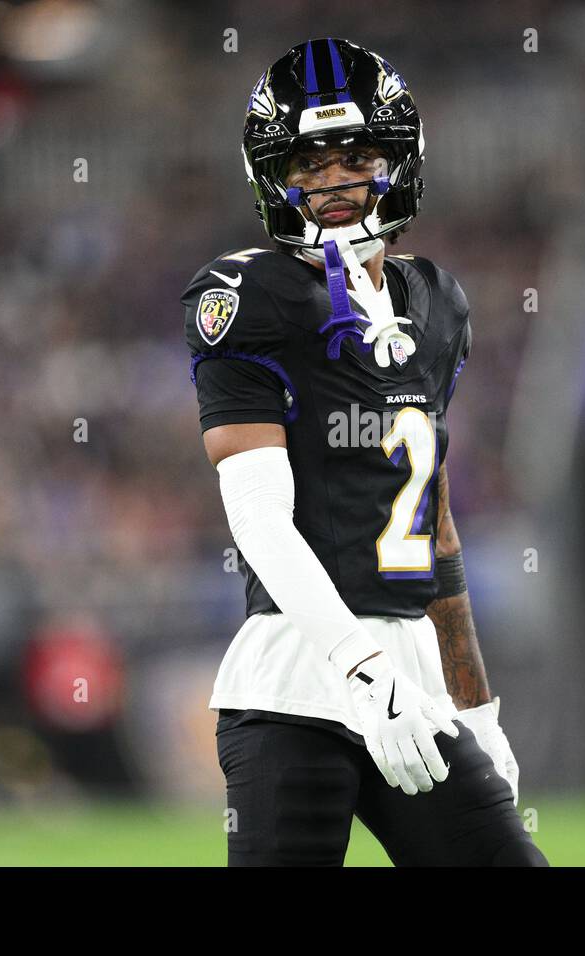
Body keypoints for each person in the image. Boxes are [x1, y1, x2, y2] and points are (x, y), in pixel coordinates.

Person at [181, 37, 548, 866]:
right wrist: (359, 670)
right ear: (273, 177)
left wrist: (478, 710)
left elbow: (436, 530)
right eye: (307, 163)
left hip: (414, 686)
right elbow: (259, 521)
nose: (334, 181)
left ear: (400, 159)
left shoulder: (437, 301)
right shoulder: (250, 295)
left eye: (356, 155)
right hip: (296, 683)